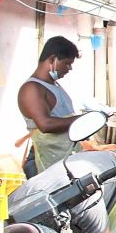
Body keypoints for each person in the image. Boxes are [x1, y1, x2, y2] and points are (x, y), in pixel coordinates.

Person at [17, 36, 82, 174]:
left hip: (63, 159)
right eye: (67, 63)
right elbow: (45, 124)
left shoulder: (55, 86)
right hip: (45, 161)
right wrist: (83, 119)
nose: (69, 68)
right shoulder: (32, 89)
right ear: (52, 59)